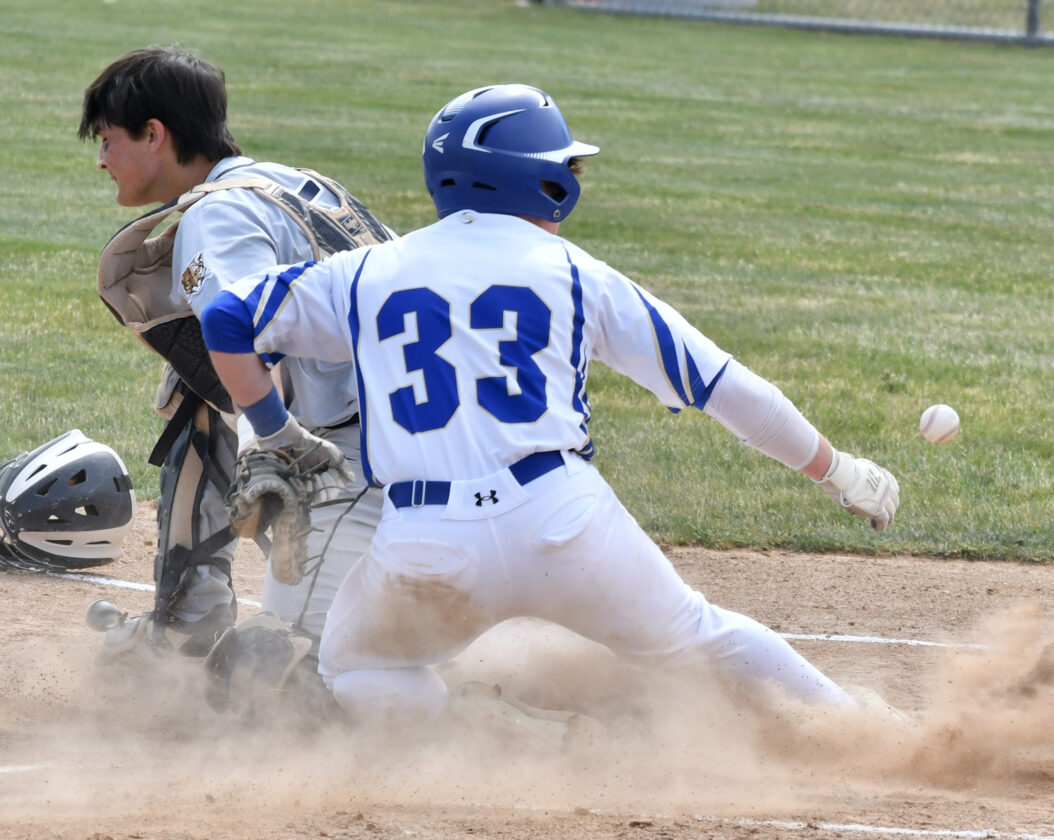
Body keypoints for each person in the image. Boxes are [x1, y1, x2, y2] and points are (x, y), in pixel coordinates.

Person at [200, 84, 901, 728]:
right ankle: (864, 730)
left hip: (425, 543)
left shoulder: (363, 273)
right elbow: (724, 386)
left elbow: (227, 319)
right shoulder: (574, 273)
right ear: (539, 177)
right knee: (697, 633)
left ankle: (487, 749)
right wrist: (837, 471)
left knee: (357, 665)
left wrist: (275, 428)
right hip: (562, 522)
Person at [77, 45, 392, 709]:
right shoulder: (296, 184)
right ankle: (191, 614)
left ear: (154, 134)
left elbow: (237, 326)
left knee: (279, 692)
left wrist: (273, 440)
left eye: (107, 140)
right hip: (442, 446)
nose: (101, 159)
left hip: (365, 472)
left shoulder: (216, 214)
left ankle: (523, 731)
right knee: (199, 388)